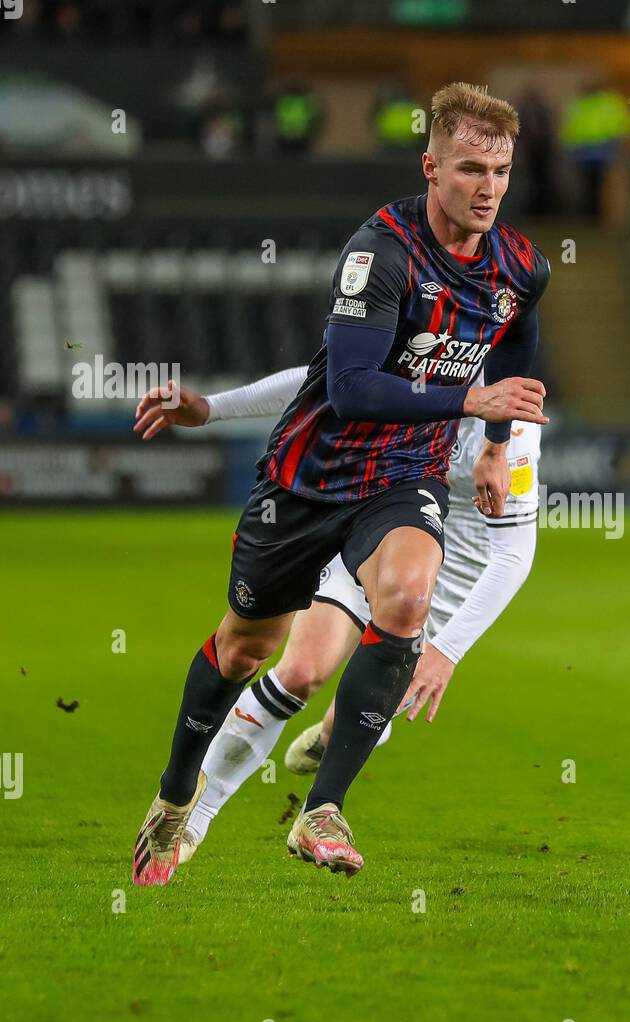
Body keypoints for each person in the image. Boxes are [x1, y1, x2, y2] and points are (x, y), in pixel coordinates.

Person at [131, 81, 551, 886]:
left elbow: (516, 343)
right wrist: (212, 410)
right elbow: (345, 383)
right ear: (431, 167)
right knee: (245, 647)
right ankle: (178, 792)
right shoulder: (380, 253)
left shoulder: (520, 268)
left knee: (407, 593)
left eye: (500, 170)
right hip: (310, 477)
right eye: (470, 169)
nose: (488, 187)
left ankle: (322, 808)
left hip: (404, 478)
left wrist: (495, 444)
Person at [132, 367, 541, 861]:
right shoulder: (426, 356)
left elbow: (513, 556)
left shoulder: (512, 427)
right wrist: (214, 408)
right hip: (375, 530)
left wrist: (445, 651)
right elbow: (324, 378)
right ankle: (191, 824)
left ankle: (329, 749)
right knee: (300, 672)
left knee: (349, 720)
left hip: (443, 585)